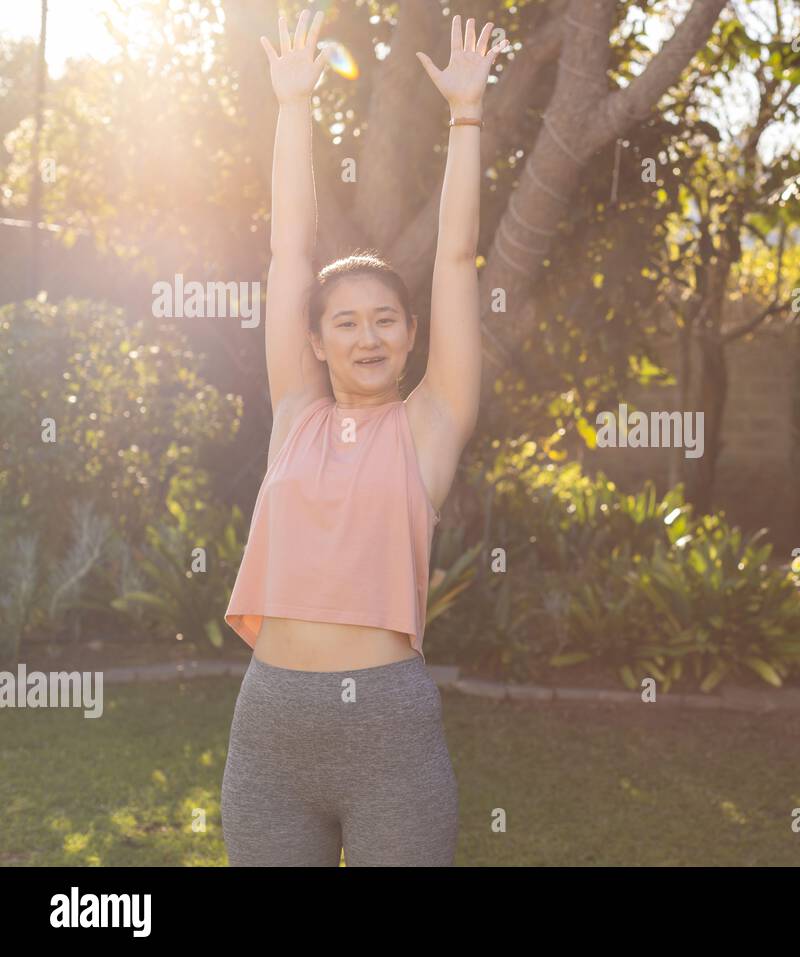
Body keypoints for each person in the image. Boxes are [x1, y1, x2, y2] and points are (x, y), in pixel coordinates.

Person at [219, 9, 503, 866]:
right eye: (345, 322)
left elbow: (456, 258)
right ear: (316, 340)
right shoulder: (295, 416)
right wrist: (294, 106)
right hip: (269, 730)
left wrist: (466, 117)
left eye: (385, 319)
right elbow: (289, 253)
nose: (367, 336)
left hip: (388, 736)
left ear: (411, 335)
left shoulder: (430, 424)